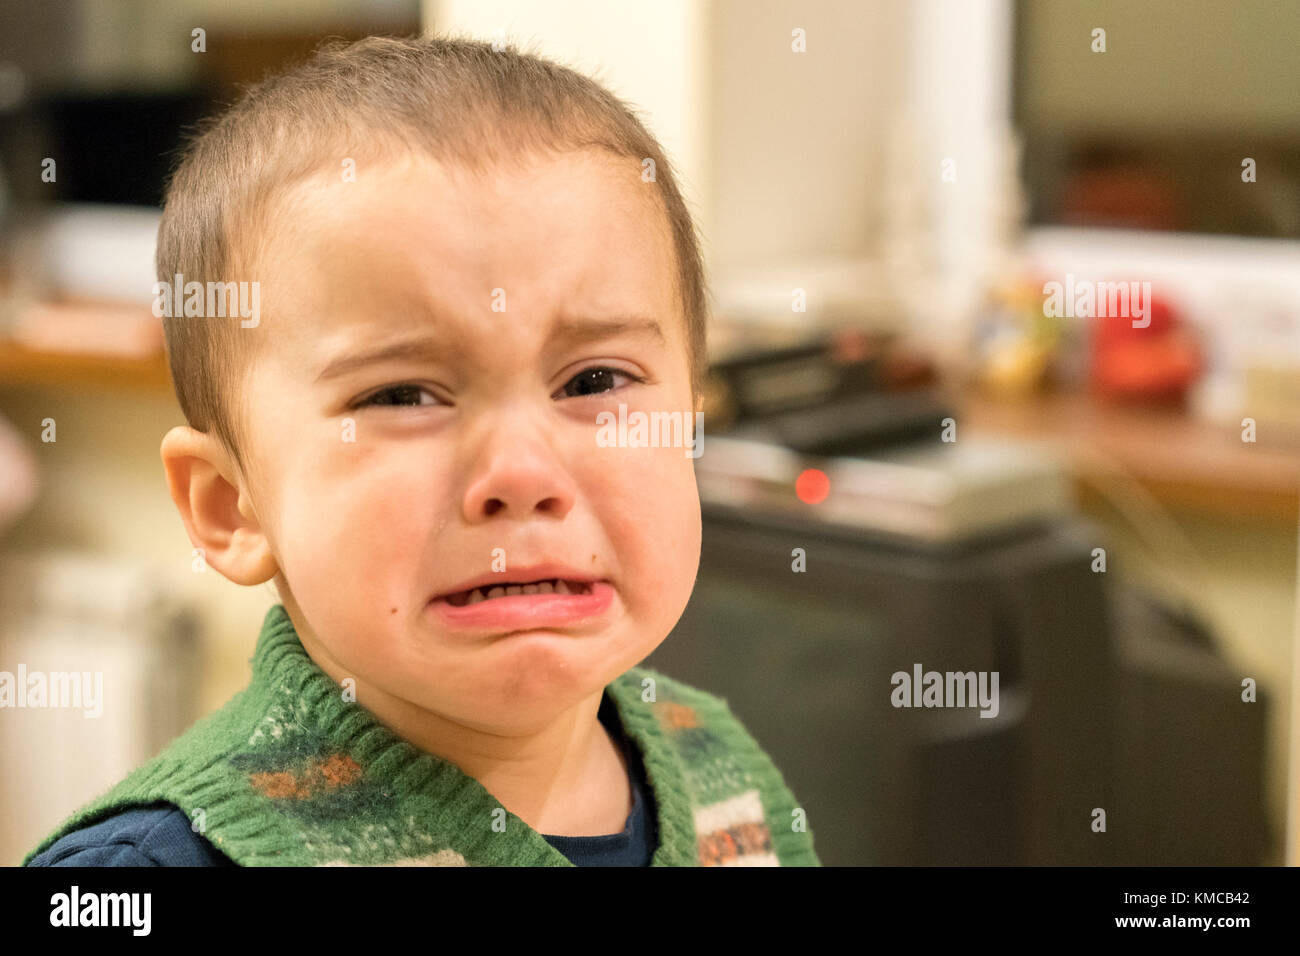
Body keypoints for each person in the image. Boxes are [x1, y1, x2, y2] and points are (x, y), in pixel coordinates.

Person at [24, 33, 819, 867]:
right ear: (230, 506)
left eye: (594, 383)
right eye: (402, 395)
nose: (521, 476)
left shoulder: (723, 778)